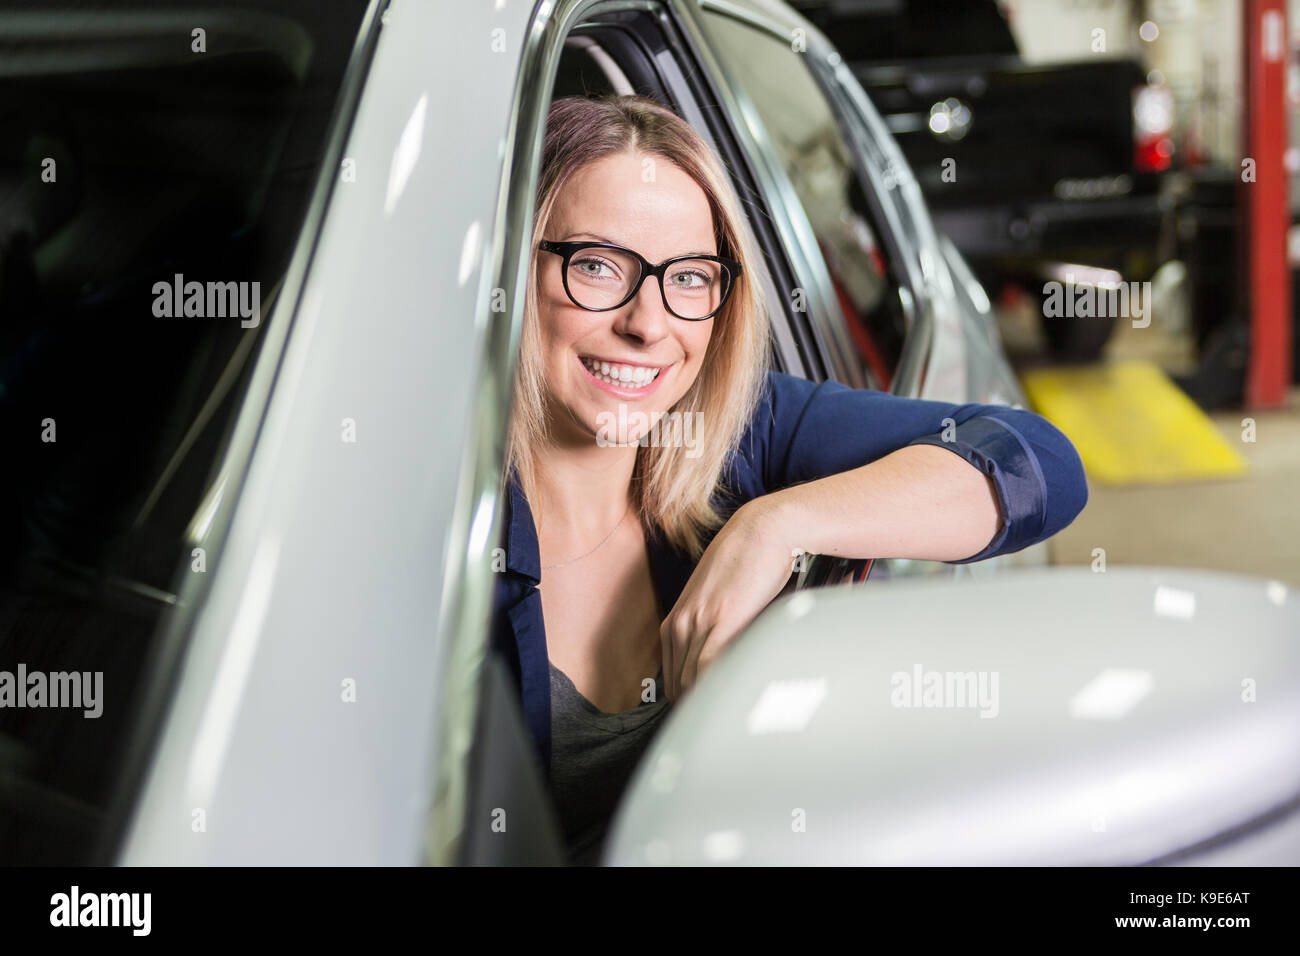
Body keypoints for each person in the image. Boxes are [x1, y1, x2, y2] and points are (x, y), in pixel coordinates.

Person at [490, 94, 1088, 865]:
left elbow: (1043, 462)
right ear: (511, 267)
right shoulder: (412, 515)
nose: (649, 323)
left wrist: (777, 524)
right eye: (598, 266)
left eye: (690, 277)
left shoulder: (746, 435)